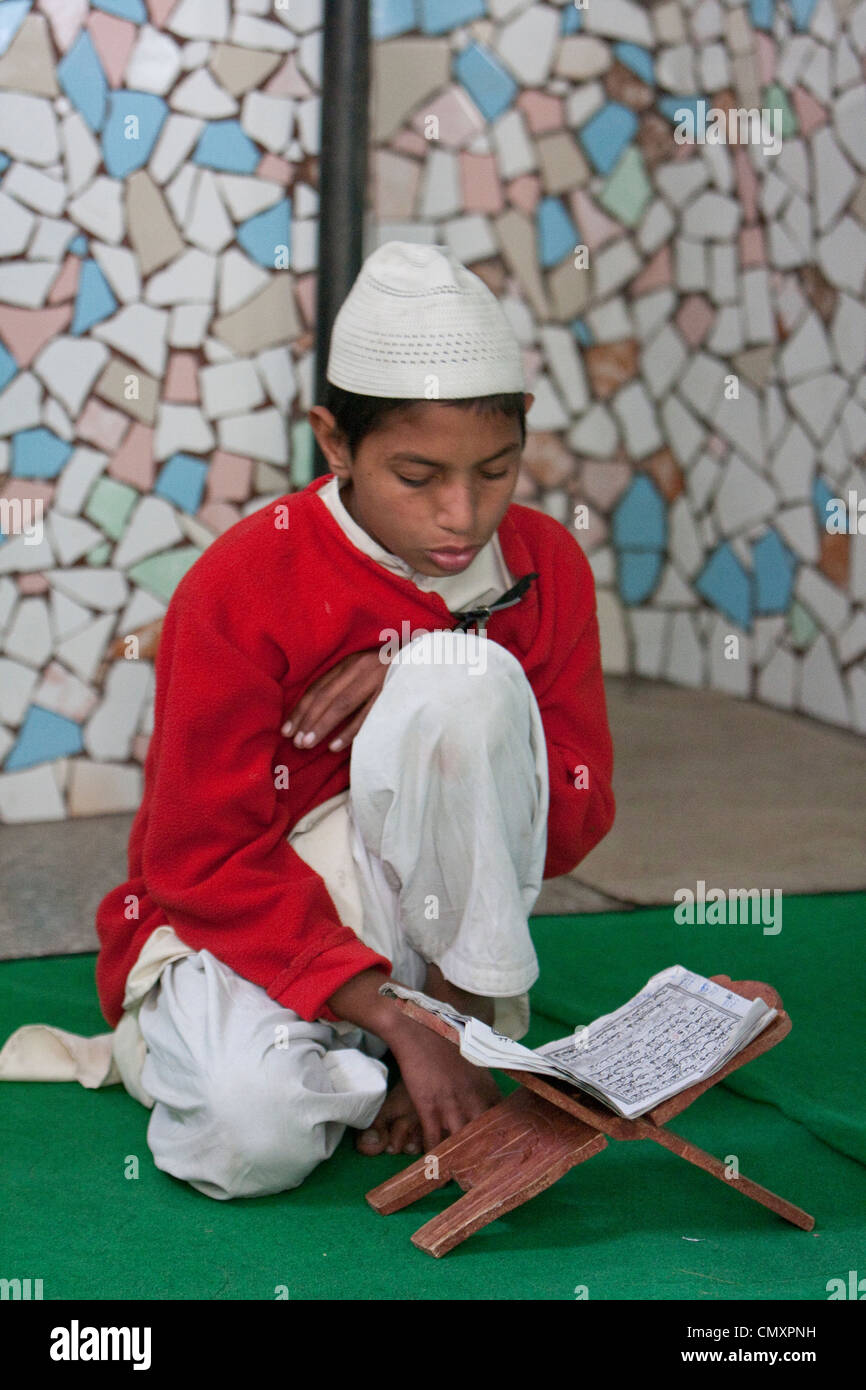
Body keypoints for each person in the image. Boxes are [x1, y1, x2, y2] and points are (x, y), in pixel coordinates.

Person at [1, 241, 616, 1201]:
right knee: (252, 1144)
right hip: (254, 922)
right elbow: (196, 858)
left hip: (429, 943)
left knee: (464, 677)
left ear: (526, 432)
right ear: (335, 443)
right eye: (417, 478)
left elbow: (574, 822)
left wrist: (436, 661)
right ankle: (360, 1049)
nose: (463, 516)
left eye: (496, 471)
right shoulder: (242, 582)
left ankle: (453, 1033)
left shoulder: (546, 564)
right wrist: (392, 1017)